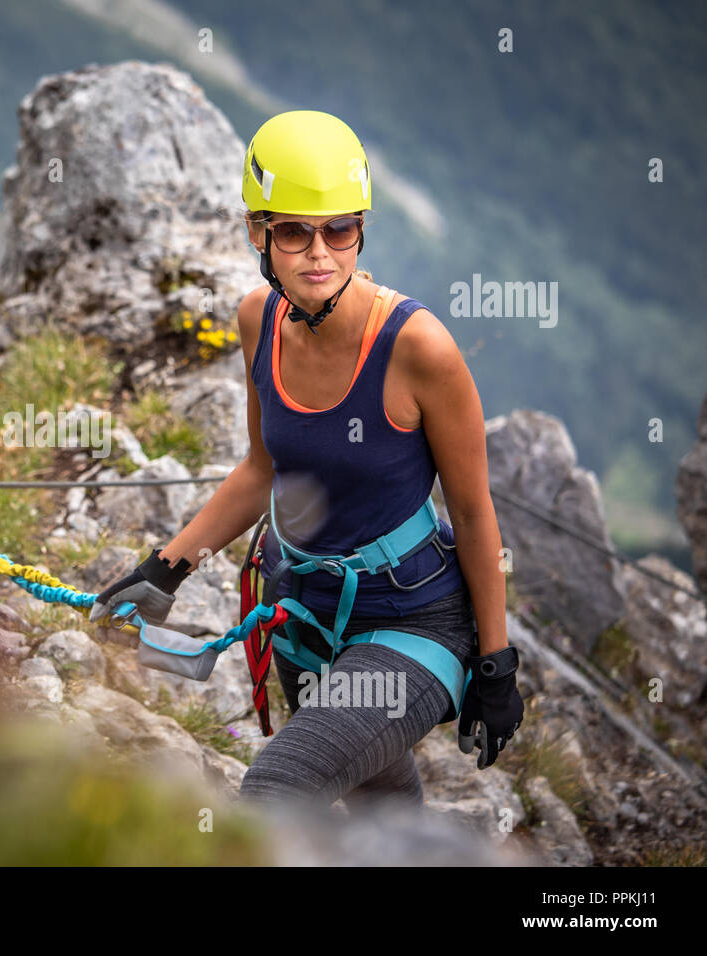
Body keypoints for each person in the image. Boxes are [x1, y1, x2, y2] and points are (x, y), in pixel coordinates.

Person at [91, 110, 523, 812]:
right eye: (293, 231)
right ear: (258, 234)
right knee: (374, 801)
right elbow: (261, 471)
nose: (319, 253)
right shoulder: (258, 319)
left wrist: (498, 665)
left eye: (339, 230)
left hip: (414, 621)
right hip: (304, 613)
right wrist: (164, 569)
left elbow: (473, 513)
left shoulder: (419, 349)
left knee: (276, 790)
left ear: (360, 231)